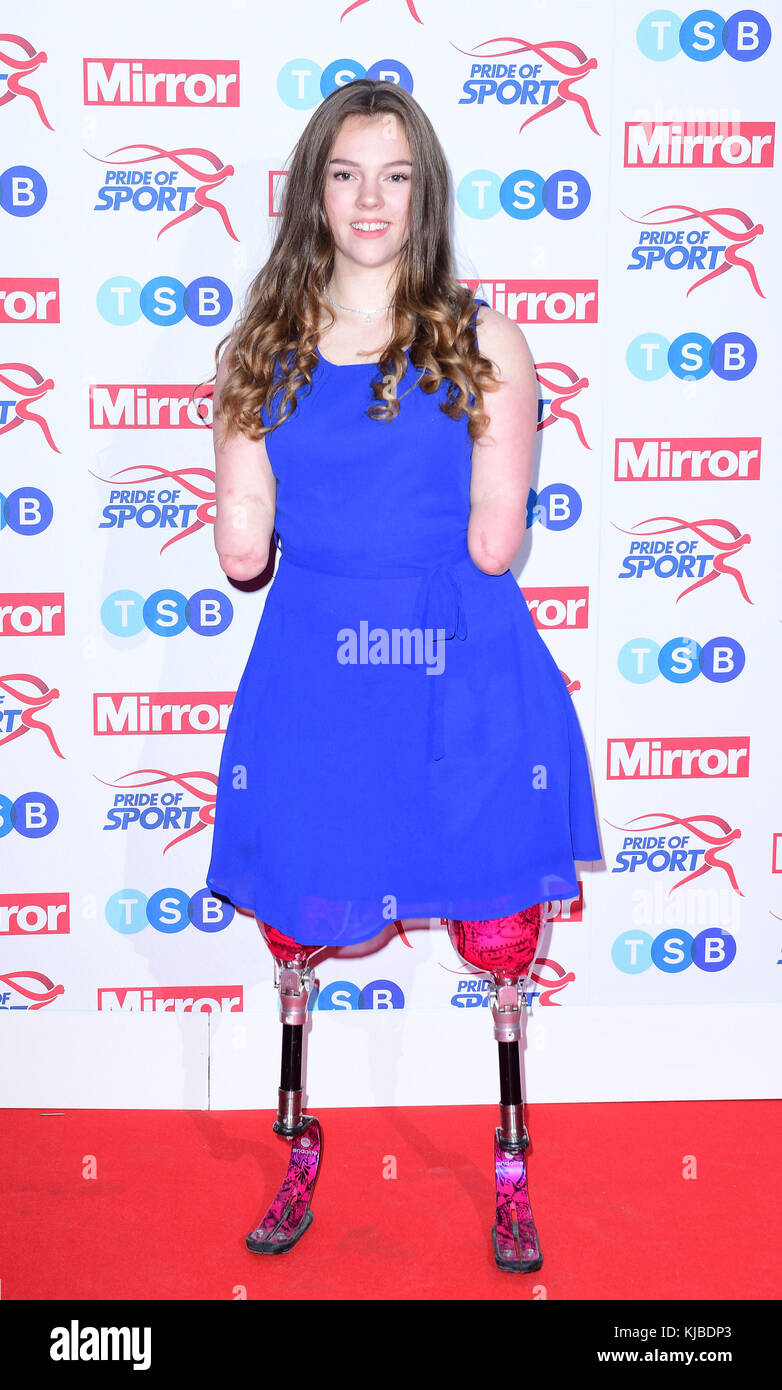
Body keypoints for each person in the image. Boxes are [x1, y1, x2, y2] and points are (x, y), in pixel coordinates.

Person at [203, 79, 601, 1273]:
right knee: (480, 925)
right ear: (313, 191)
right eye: (346, 174)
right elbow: (490, 541)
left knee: (326, 924)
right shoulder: (482, 339)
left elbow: (242, 552)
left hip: (349, 664)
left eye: (392, 175)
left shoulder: (258, 350)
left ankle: (331, 1138)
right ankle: (506, 1156)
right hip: (440, 660)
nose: (369, 199)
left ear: (421, 192)